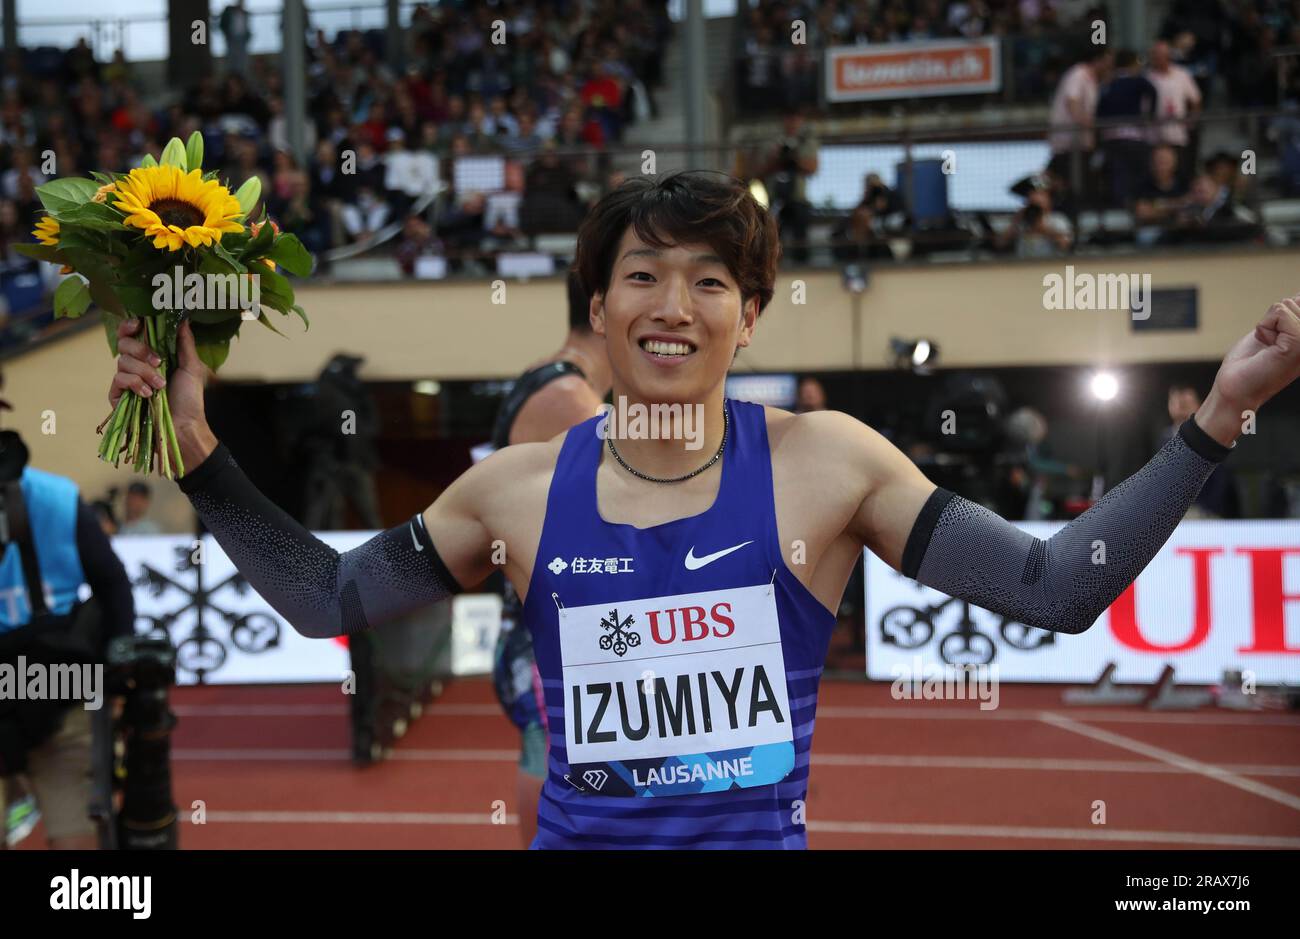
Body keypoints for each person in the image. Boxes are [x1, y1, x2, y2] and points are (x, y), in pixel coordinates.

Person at [108, 171, 1300, 849]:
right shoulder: (516, 489)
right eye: (641, 275)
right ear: (598, 305)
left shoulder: (827, 463)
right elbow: (327, 600)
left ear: (752, 315)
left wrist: (1217, 420)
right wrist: (198, 441)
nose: (672, 304)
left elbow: (1055, 587)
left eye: (709, 281)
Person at [480, 271, 611, 847]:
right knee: (553, 759)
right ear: (605, 310)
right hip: (548, 640)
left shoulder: (551, 382)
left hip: (539, 633)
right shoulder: (570, 401)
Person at [0, 378, 135, 849]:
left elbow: (113, 585)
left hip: (57, 695)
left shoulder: (55, 498)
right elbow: (114, 586)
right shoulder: (58, 496)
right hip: (57, 684)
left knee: (77, 838)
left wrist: (118, 671)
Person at [1160, 384, 1239, 519]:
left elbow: (1220, 476)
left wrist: (1210, 509)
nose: (1180, 406)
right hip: (1171, 515)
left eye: (1185, 402)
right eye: (1175, 402)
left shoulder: (1213, 434)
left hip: (1205, 512)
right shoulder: (1164, 438)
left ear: (1199, 404)